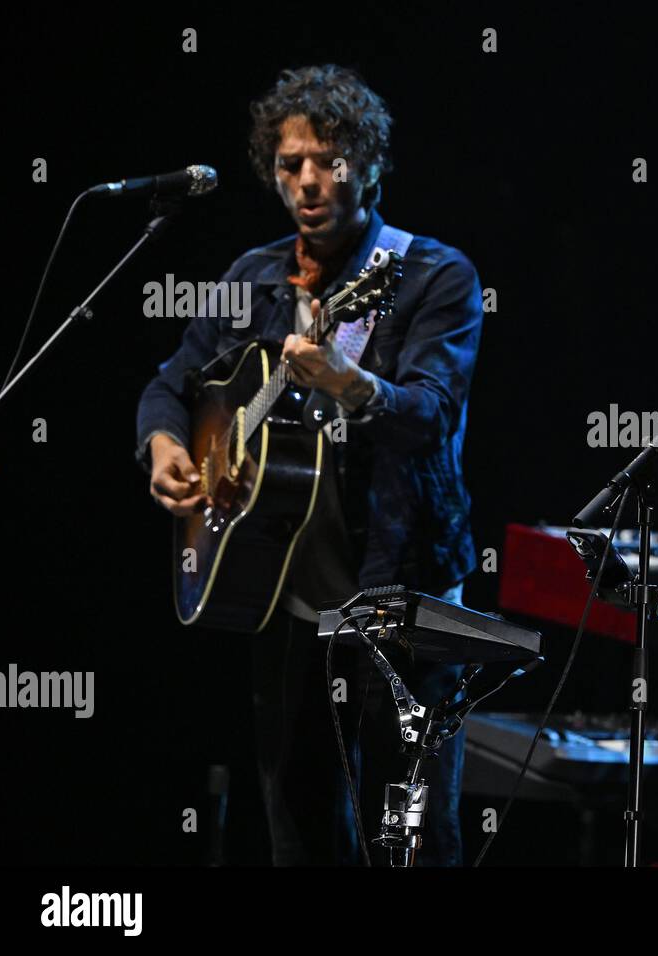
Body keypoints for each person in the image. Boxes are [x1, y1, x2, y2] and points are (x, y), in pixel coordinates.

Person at [135, 64, 483, 866]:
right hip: (282, 597)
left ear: (365, 160)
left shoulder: (432, 274)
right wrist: (164, 445)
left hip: (401, 593)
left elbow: (432, 417)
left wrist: (352, 386)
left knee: (414, 834)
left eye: (326, 158)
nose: (308, 180)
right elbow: (169, 383)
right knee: (297, 824)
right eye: (290, 164)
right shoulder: (252, 277)